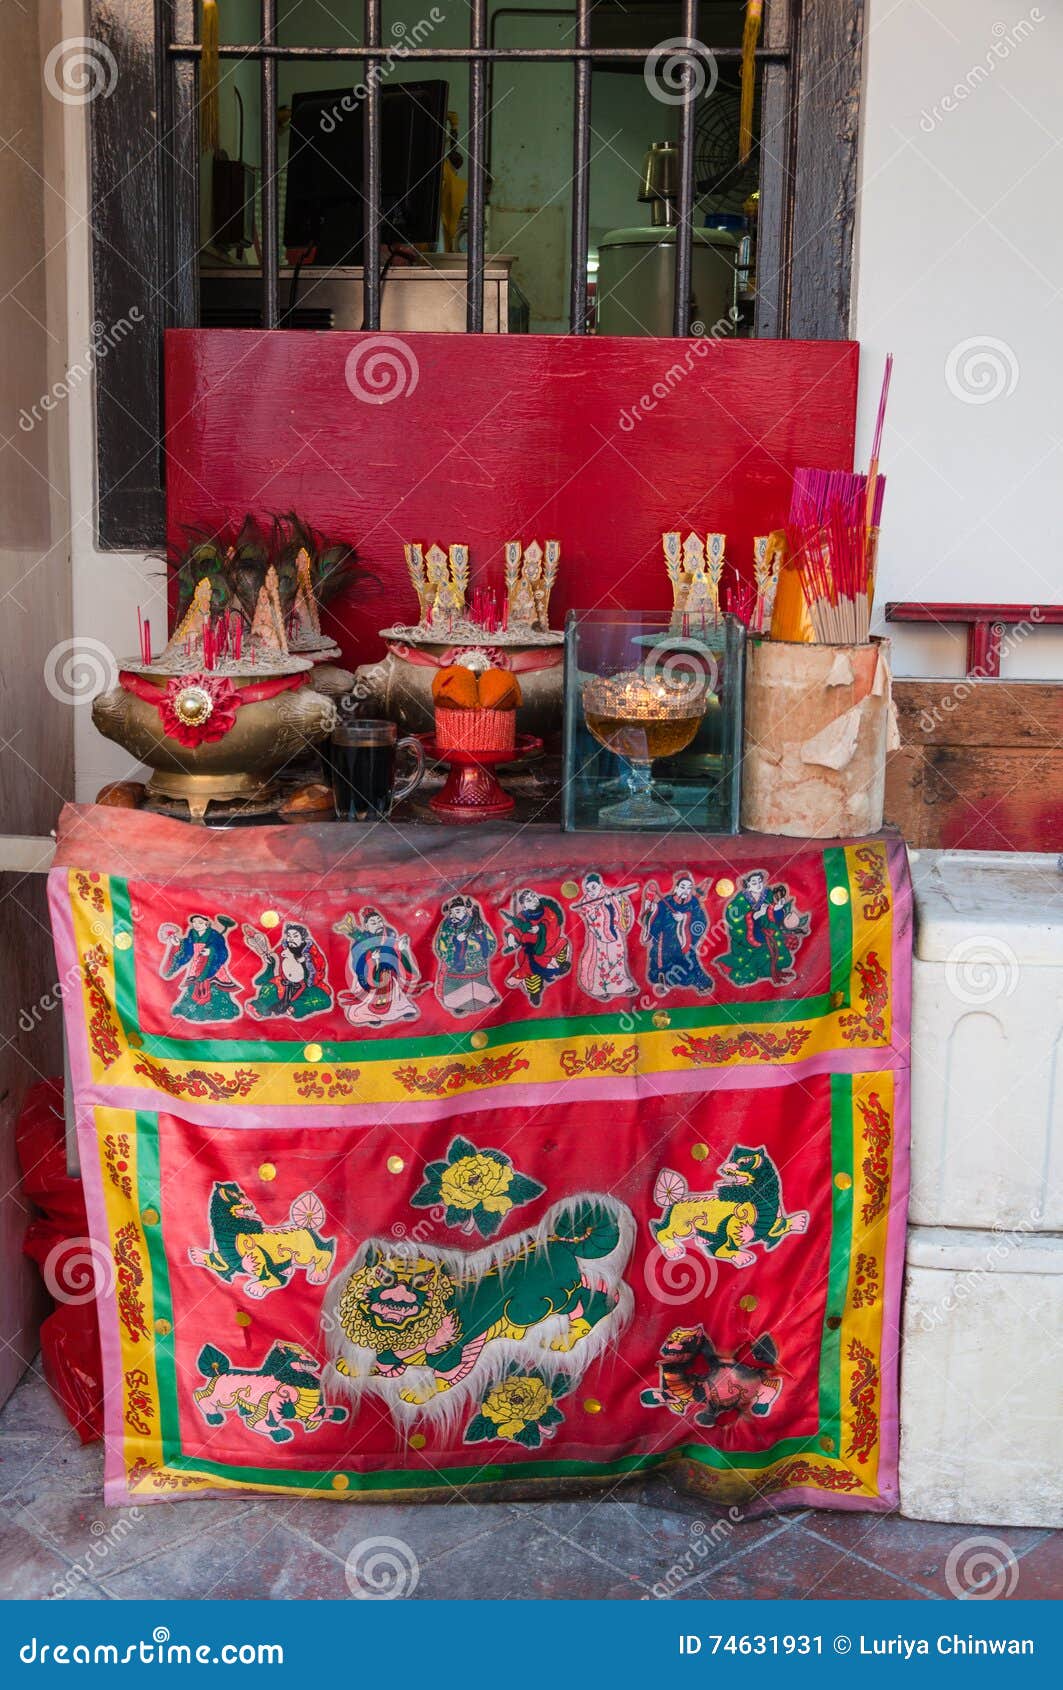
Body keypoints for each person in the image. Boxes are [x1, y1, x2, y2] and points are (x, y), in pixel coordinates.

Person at [715, 870, 810, 987]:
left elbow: (774, 918)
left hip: (767, 933)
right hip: (748, 938)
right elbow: (735, 921)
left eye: (760, 881)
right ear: (747, 884)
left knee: (780, 955)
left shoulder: (768, 894)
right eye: (754, 882)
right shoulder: (739, 900)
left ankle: (770, 970)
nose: (758, 884)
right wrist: (756, 915)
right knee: (749, 972)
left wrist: (777, 909)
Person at [334, 908, 421, 1027]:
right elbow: (357, 958)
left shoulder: (389, 934)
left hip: (387, 974)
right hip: (370, 975)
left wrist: (401, 948)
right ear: (366, 926)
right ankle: (368, 1015)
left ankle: (403, 1010)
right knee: (369, 999)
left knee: (395, 996)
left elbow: (394, 951)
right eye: (373, 923)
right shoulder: (361, 940)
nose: (378, 924)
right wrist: (371, 958)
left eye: (379, 921)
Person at [158, 913, 240, 1022]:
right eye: (194, 922)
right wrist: (178, 943)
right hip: (196, 964)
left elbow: (222, 951)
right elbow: (188, 947)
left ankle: (219, 1012)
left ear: (207, 924)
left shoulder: (215, 935)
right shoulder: (193, 933)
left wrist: (211, 951)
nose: (197, 925)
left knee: (215, 989)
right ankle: (192, 1011)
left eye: (200, 922)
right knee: (193, 987)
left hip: (212, 966)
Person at [641, 873, 713, 993]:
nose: (686, 890)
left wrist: (685, 918)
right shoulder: (666, 901)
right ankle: (663, 980)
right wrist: (652, 908)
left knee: (688, 963)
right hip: (665, 943)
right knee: (661, 964)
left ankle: (697, 981)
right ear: (677, 888)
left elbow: (701, 921)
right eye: (683, 887)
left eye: (689, 888)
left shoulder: (694, 902)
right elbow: (655, 920)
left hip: (685, 942)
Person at [243, 920, 332, 1019]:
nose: (291, 939)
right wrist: (271, 961)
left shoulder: (312, 952)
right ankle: (260, 1006)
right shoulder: (283, 947)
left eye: (295, 936)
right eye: (289, 936)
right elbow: (276, 959)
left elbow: (319, 969)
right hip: (283, 982)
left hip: (304, 986)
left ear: (302, 938)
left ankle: (295, 1007)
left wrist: (305, 962)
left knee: (320, 998)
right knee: (269, 988)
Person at [571, 872, 638, 1001]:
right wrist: (602, 906)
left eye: (594, 887)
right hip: (598, 937)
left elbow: (620, 913)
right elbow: (592, 918)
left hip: (614, 935)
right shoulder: (586, 902)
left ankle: (622, 985)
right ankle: (600, 988)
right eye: (588, 889)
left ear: (600, 885)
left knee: (617, 960)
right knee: (601, 963)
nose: (591, 891)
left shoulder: (609, 895)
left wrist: (615, 901)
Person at [433, 895, 501, 1016]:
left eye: (458, 911)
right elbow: (441, 945)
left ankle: (487, 998)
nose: (454, 915)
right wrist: (456, 940)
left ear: (465, 910)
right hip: (457, 963)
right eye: (452, 912)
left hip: (476, 961)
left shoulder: (476, 923)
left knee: (480, 981)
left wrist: (481, 936)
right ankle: (458, 1004)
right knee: (457, 985)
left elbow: (490, 941)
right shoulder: (447, 926)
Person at [502, 888, 571, 1003]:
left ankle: (561, 963)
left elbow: (553, 924)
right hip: (531, 952)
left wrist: (541, 928)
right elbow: (516, 928)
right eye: (529, 900)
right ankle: (535, 992)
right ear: (524, 907)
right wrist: (511, 937)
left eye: (533, 896)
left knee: (562, 943)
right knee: (530, 972)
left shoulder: (548, 911)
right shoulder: (521, 917)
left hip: (550, 945)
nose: (533, 900)